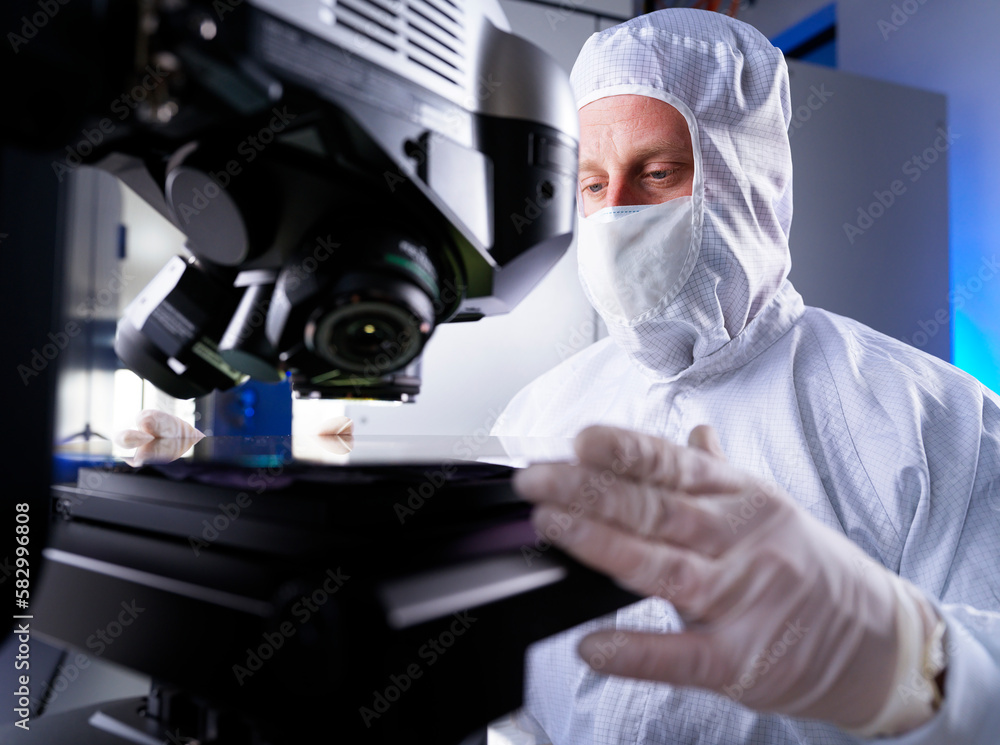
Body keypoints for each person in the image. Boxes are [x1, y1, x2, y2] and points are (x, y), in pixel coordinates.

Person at [492, 8, 1000, 744]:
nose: (615, 215)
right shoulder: (533, 419)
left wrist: (903, 662)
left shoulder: (939, 426)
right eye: (594, 184)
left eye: (657, 173)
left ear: (745, 179)